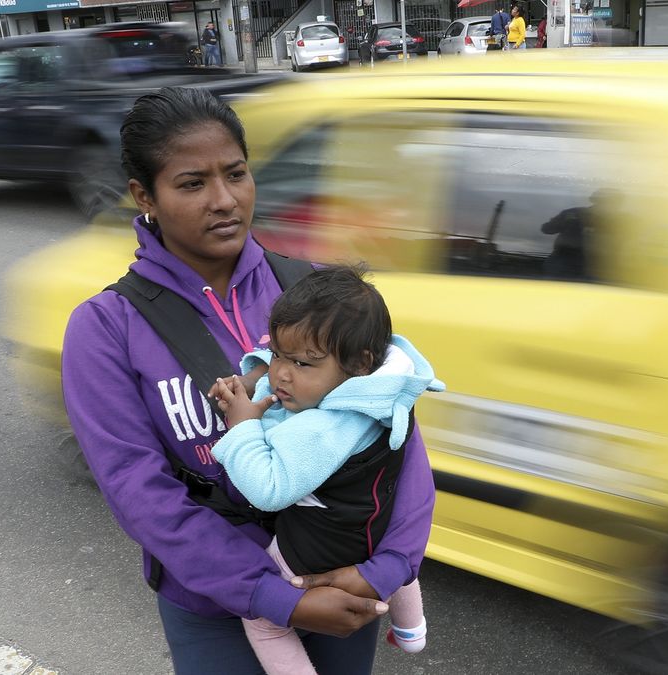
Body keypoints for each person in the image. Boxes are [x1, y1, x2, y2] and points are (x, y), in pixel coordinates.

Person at [61, 87, 436, 675]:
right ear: (144, 196)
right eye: (192, 183)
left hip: (342, 583)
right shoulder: (107, 328)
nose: (224, 200)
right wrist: (276, 598)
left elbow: (396, 431)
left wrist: (386, 568)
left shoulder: (315, 290)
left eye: (236, 174)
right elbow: (140, 492)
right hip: (216, 608)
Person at [207, 265, 443, 674]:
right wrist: (262, 374)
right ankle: (411, 630)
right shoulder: (388, 384)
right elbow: (293, 364)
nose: (280, 372)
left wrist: (243, 426)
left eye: (301, 363)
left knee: (263, 624)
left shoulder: (324, 428)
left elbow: (269, 489)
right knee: (396, 562)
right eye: (277, 353)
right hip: (375, 524)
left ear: (358, 363)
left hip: (321, 546)